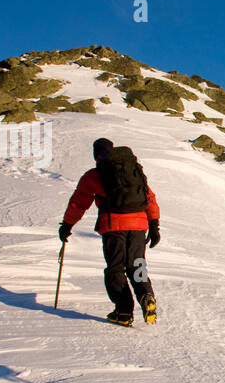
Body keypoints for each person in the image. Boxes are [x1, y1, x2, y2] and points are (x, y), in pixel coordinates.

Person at [59, 138, 161, 326]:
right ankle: (146, 295)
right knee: (137, 264)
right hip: (139, 225)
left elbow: (78, 203)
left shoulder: (94, 175)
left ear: (95, 155)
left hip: (114, 226)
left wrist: (67, 225)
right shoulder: (133, 171)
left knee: (116, 268)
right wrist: (154, 226)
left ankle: (123, 311)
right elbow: (150, 197)